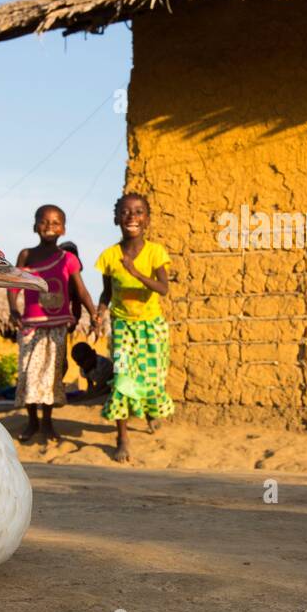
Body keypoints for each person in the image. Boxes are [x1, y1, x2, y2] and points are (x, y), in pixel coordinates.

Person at [94, 193, 174, 462]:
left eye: (139, 212)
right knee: (122, 380)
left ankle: (151, 412)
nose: (132, 217)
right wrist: (100, 311)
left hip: (152, 327)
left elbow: (163, 288)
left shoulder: (155, 253)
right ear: (116, 218)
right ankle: (122, 438)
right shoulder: (109, 256)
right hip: (123, 327)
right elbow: (107, 292)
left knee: (152, 379)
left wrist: (136, 272)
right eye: (126, 212)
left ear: (147, 220)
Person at [8, 205, 97, 442]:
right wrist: (13, 308)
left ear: (64, 229)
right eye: (44, 221)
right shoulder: (26, 255)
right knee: (28, 373)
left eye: (56, 222)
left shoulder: (68, 259)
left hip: (56, 326)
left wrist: (94, 314)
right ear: (34, 226)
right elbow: (15, 283)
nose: (49, 226)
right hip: (31, 326)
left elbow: (81, 291)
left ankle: (47, 423)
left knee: (51, 374)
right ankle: (32, 422)